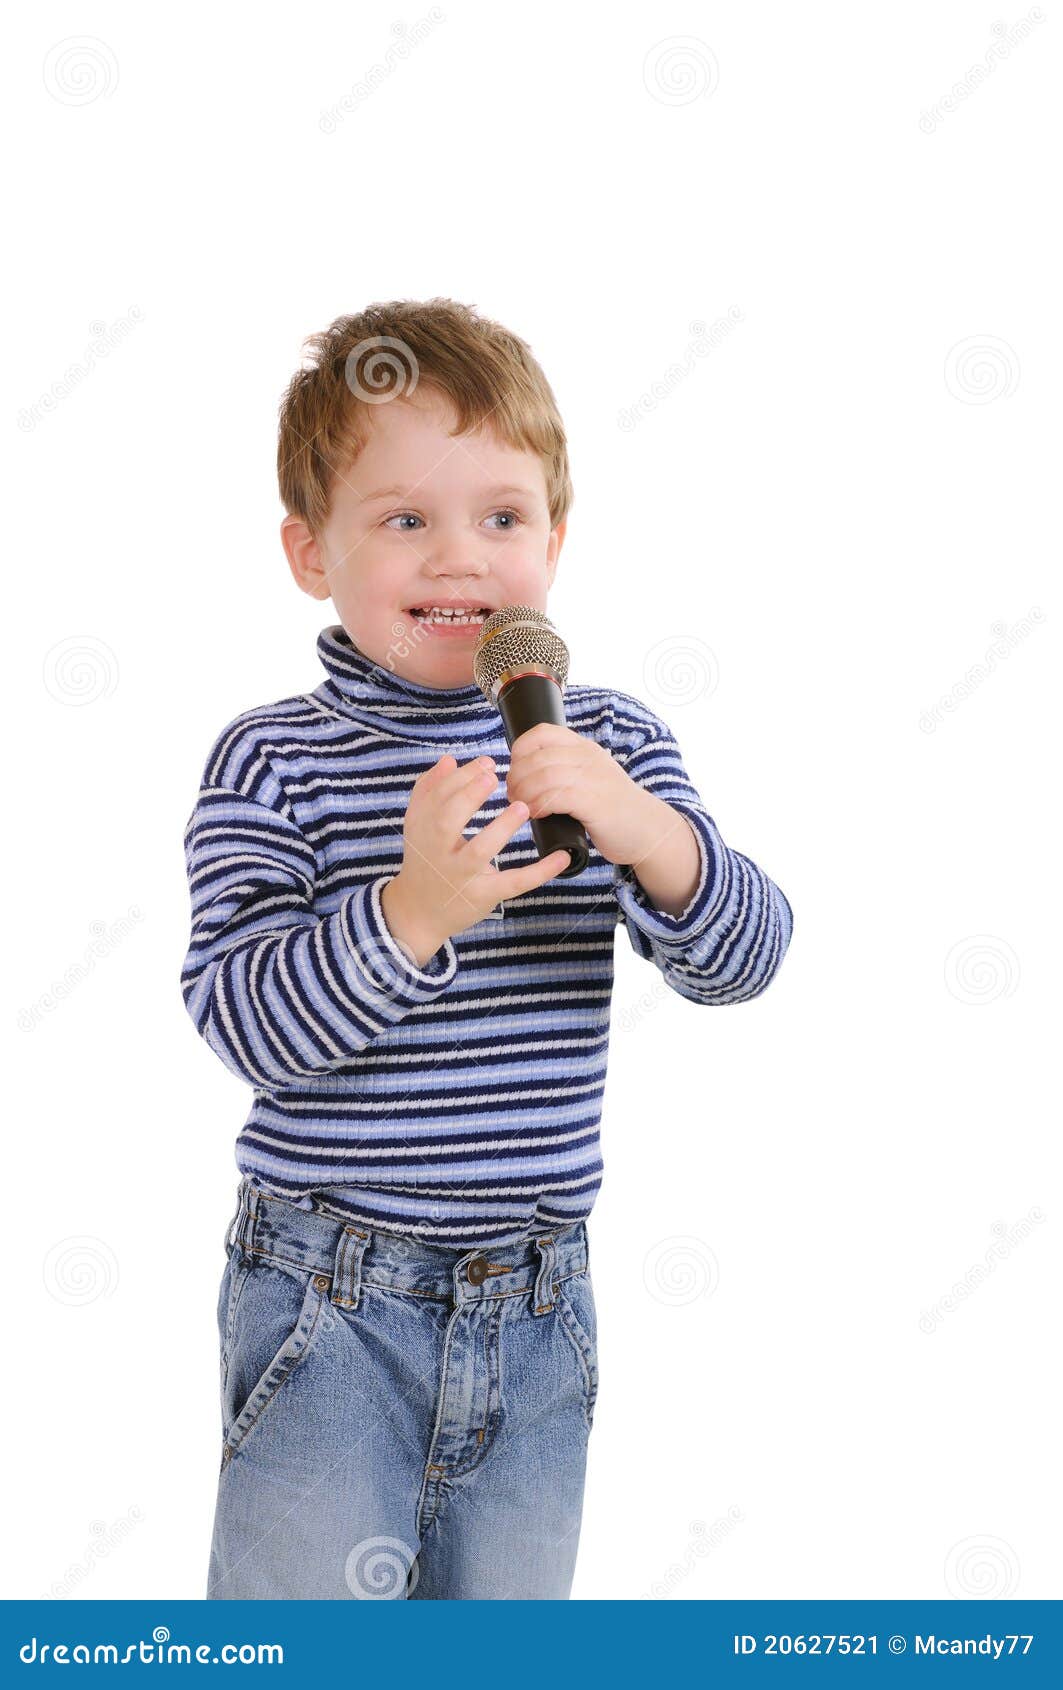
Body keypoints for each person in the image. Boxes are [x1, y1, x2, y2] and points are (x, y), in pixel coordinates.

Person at [180, 297, 794, 1599]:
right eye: (406, 520)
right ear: (310, 551)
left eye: (502, 518)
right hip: (329, 1301)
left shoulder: (607, 745)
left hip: (537, 1306)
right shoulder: (275, 759)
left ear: (555, 543)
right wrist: (407, 915)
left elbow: (742, 959)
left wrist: (651, 836)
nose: (461, 556)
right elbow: (240, 1019)